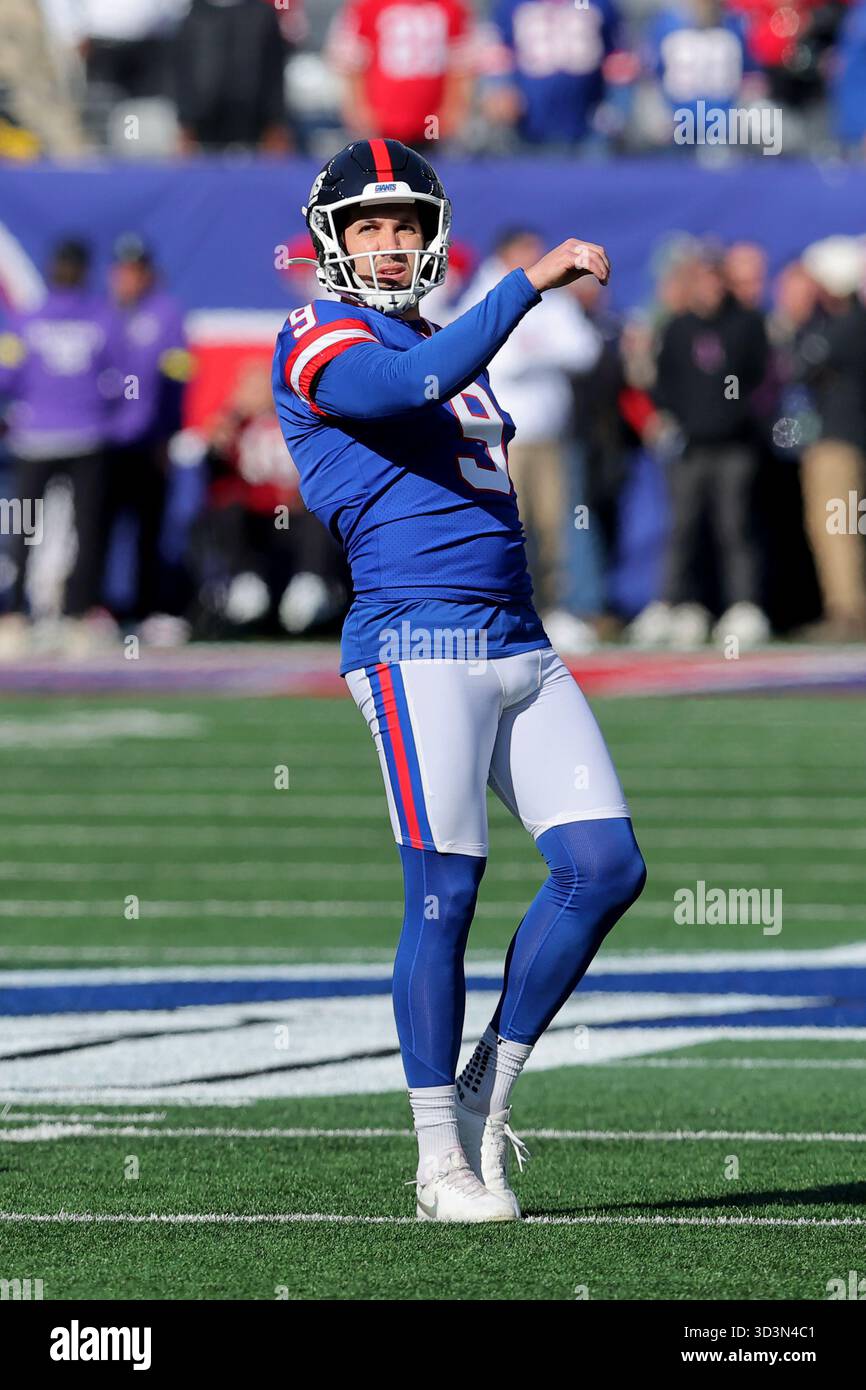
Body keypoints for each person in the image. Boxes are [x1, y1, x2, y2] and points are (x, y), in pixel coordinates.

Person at [272, 138, 646, 1224]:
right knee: (445, 892)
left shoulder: (443, 332)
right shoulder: (316, 333)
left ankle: (492, 1079)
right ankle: (438, 1156)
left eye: (400, 224)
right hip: (413, 644)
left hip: (514, 637)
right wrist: (529, 280)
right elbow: (408, 385)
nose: (385, 244)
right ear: (331, 240)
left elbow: (440, 378)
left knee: (603, 865)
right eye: (365, 226)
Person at [0, 237, 120, 656]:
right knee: (83, 529)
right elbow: (120, 384)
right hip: (83, 436)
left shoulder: (28, 320)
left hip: (39, 436)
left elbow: (7, 377)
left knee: (25, 528)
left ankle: (17, 617)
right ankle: (72, 617)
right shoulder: (102, 319)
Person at [106, 233, 192, 628]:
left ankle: (146, 606)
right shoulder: (103, 314)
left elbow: (177, 379)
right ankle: (100, 607)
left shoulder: (165, 316)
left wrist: (168, 434)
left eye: (134, 271)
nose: (127, 278)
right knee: (99, 526)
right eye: (122, 270)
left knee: (149, 525)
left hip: (148, 440)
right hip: (103, 442)